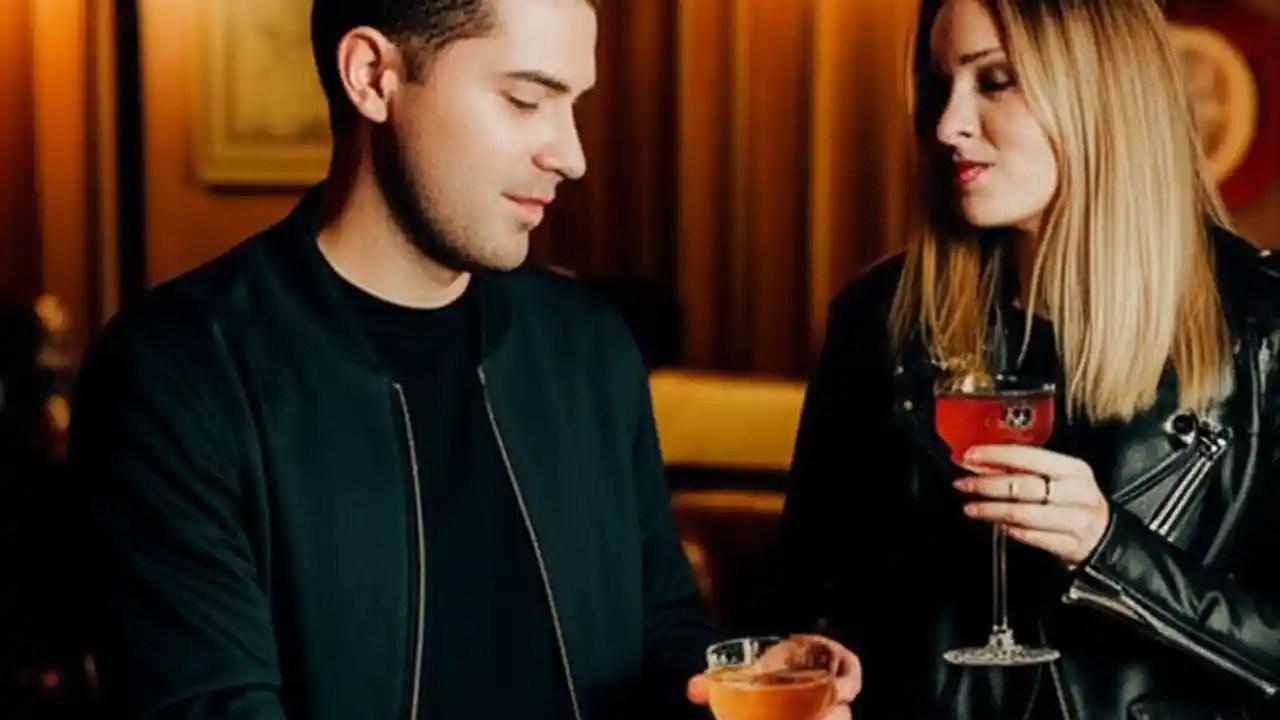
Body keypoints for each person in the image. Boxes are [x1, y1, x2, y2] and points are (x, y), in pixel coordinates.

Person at [67, 0, 861, 718]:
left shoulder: (588, 348)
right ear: (373, 76)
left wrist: (740, 685)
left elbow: (658, 630)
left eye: (573, 104)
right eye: (525, 99)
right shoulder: (177, 374)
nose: (573, 155)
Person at [773, 0, 1280, 717]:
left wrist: (1110, 550)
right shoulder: (879, 319)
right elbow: (805, 590)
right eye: (938, 85)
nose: (948, 123)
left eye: (996, 79)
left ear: (1100, 92)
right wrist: (813, 664)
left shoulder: (1264, 329)